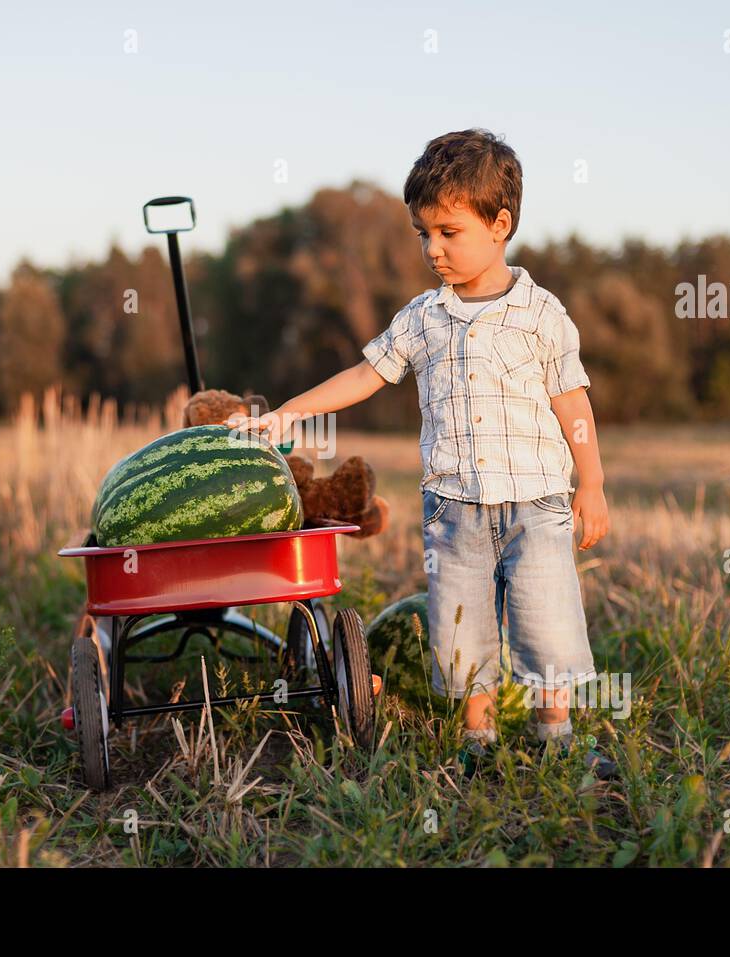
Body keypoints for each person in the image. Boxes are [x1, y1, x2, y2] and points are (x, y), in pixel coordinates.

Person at [229, 128, 616, 779]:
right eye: (422, 234)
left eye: (447, 232)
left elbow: (573, 406)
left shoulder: (543, 314)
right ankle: (478, 742)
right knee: (463, 631)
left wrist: (594, 484)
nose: (433, 249)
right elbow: (365, 374)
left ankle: (558, 736)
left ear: (500, 224)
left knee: (547, 621)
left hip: (537, 499)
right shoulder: (422, 317)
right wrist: (290, 411)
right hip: (454, 505)